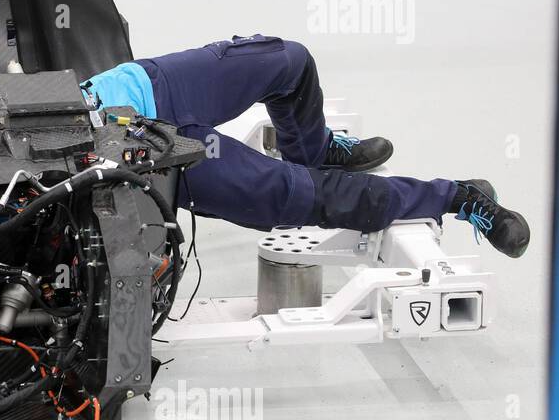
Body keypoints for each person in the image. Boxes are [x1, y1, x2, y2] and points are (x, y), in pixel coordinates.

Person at [82, 35, 530, 258]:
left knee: (287, 61)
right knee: (304, 193)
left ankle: (312, 146)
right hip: (153, 160)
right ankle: (458, 196)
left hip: (139, 89)